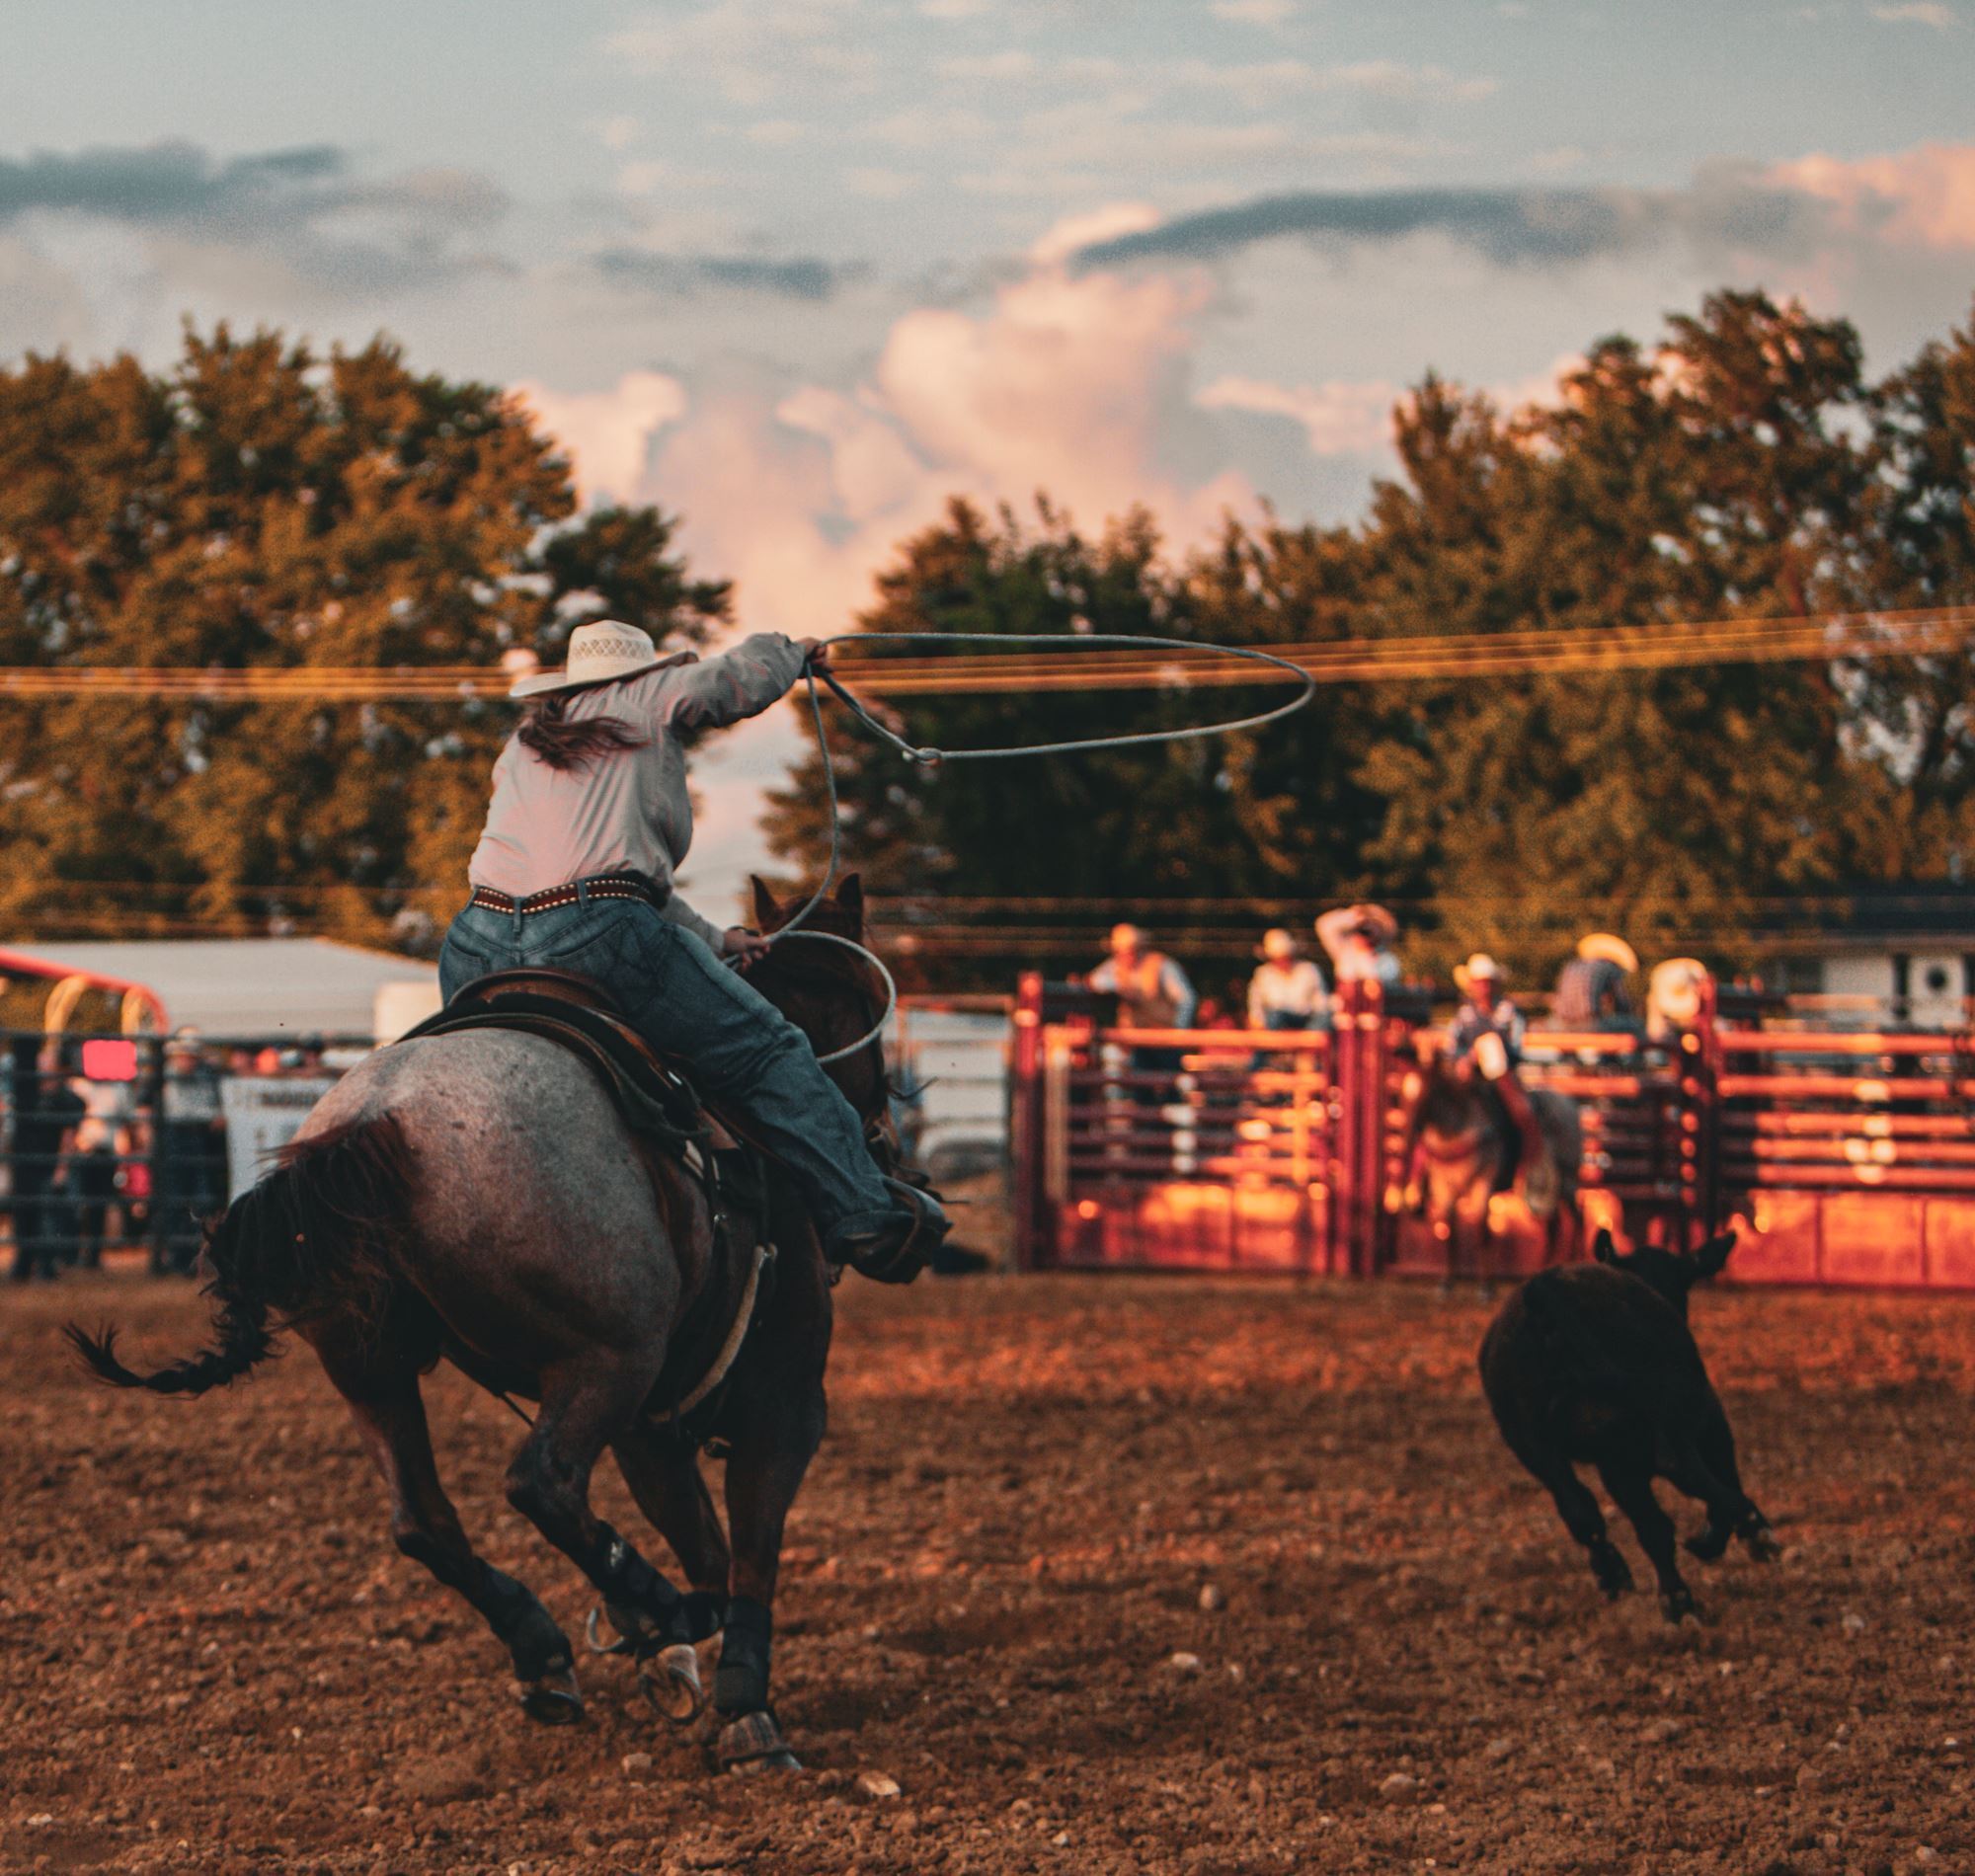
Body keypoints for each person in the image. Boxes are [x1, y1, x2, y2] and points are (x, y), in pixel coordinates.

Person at [444, 618, 943, 1278]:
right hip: (600, 936)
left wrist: (718, 940)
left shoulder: (524, 745)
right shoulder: (645, 701)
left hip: (475, 945)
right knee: (771, 1050)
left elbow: (594, 879)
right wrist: (790, 652)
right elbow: (731, 681)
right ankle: (868, 1216)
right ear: (644, 673)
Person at [1446, 953, 1556, 1216]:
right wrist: (1465, 1060)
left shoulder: (1509, 1012)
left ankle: (1531, 1168)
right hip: (1472, 1079)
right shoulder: (1464, 1014)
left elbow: (1516, 1048)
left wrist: (1486, 1051)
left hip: (1504, 1077)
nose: (1482, 987)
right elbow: (1452, 1048)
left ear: (1495, 984)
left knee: (1522, 1112)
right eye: (1478, 982)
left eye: (1487, 982)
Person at [1552, 933, 1640, 1032]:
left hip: (1560, 1022)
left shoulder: (1571, 966)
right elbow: (1622, 1002)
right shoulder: (1609, 967)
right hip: (1590, 1022)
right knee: (1634, 1024)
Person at [1247, 928, 1329, 1033]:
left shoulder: (1309, 970)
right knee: (1274, 1017)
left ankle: (1308, 1045)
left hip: (1307, 1020)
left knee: (1324, 1018)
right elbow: (1255, 1005)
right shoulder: (1263, 974)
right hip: (1276, 1023)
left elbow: (1321, 1003)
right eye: (1278, 958)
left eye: (1285, 957)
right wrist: (1257, 1022)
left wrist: (1318, 1023)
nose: (1282, 961)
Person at [1315, 903, 1402, 989]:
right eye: (1362, 928)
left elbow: (1380, 983)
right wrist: (1355, 916)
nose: (1366, 930)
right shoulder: (1345, 951)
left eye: (1374, 926)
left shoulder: (1386, 959)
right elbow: (1324, 924)